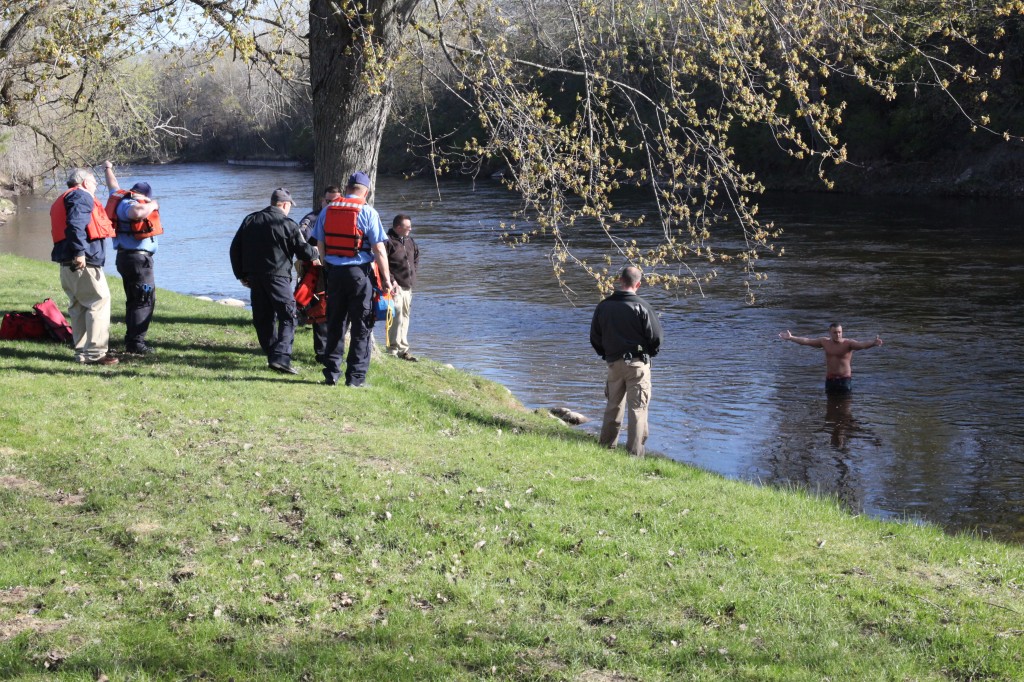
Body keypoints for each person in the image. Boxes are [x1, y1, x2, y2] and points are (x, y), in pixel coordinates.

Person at [308, 171, 393, 387]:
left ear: (347, 188)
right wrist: (386, 279)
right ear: (366, 191)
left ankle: (331, 374)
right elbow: (379, 249)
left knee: (336, 323)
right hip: (359, 274)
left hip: (334, 274)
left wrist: (327, 267)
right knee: (361, 325)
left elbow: (320, 244)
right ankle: (355, 378)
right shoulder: (368, 212)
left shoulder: (328, 210)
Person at [230, 188, 318, 375]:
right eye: (289, 207)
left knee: (263, 318)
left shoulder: (250, 220)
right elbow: (304, 251)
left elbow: (235, 248)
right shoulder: (288, 224)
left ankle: (273, 355)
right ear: (285, 205)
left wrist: (241, 274)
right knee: (288, 316)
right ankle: (280, 357)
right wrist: (316, 252)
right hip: (278, 277)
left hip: (255, 277)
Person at [590, 266, 663, 456]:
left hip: (613, 363)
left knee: (613, 406)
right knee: (638, 409)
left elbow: (594, 337)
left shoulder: (603, 306)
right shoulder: (643, 306)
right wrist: (649, 354)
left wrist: (606, 354)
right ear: (638, 284)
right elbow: (656, 338)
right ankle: (634, 454)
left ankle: (606, 448)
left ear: (620, 281)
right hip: (638, 364)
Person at [49, 167, 118, 366]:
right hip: (82, 260)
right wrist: (80, 252)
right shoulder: (81, 196)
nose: (97, 186)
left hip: (66, 261)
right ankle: (95, 354)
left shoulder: (64, 198)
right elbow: (76, 224)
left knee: (78, 306)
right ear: (86, 183)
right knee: (98, 301)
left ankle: (82, 352)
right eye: (95, 183)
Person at [103, 161, 162, 355]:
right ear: (145, 195)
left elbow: (112, 186)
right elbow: (136, 213)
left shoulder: (119, 197)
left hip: (125, 258)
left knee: (134, 299)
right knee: (143, 300)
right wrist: (152, 205)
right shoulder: (133, 203)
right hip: (138, 261)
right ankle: (136, 344)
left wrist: (108, 169)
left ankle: (132, 339)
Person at [295, 185, 342, 362]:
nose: (330, 204)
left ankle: (335, 351)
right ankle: (322, 353)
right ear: (322, 200)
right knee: (320, 311)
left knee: (339, 311)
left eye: (335, 201)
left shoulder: (345, 218)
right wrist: (313, 253)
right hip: (318, 273)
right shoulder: (311, 219)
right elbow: (300, 243)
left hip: (339, 272)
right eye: (327, 201)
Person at [779, 323, 883, 393]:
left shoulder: (848, 343)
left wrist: (873, 343)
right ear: (830, 333)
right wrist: (791, 338)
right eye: (835, 332)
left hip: (844, 380)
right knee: (830, 410)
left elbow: (861, 345)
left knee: (845, 410)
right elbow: (807, 341)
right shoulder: (824, 342)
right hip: (830, 380)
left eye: (839, 332)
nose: (838, 334)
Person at [384, 213, 420, 361]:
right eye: (407, 227)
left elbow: (416, 258)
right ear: (398, 227)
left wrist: (413, 274)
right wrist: (391, 280)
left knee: (405, 317)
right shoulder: (388, 241)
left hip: (408, 286)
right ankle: (392, 349)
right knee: (395, 317)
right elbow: (382, 263)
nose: (410, 229)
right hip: (394, 287)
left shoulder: (410, 241)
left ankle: (403, 350)